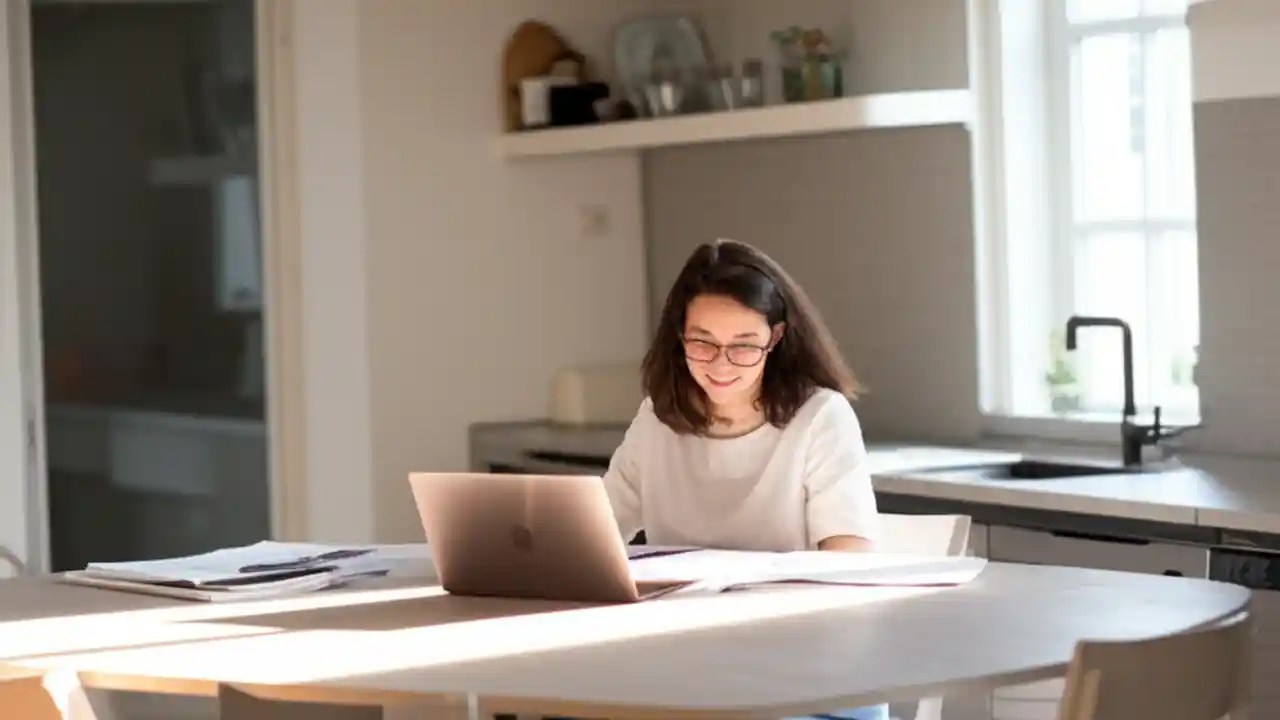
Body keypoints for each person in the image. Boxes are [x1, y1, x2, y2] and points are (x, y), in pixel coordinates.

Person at [601, 239, 886, 720]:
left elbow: (850, 564)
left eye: (744, 346)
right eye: (702, 342)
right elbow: (597, 535)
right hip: (692, 669)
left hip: (813, 679)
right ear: (679, 336)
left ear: (775, 339)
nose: (720, 363)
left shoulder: (819, 417)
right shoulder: (658, 418)